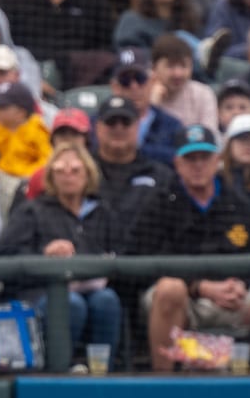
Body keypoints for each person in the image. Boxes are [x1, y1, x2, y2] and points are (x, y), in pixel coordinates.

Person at [132, 126, 250, 374]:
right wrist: (200, 286)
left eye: (204, 158)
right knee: (169, 288)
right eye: (190, 159)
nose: (198, 166)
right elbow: (145, 264)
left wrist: (239, 284)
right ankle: (165, 385)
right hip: (186, 301)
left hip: (233, 298)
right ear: (177, 163)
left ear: (217, 161)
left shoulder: (238, 203)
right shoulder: (159, 203)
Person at [0, 142, 120, 364]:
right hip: (39, 291)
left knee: (106, 300)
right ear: (50, 176)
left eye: (75, 170)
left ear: (87, 174)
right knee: (70, 303)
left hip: (92, 288)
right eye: (59, 170)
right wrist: (44, 254)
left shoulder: (103, 211)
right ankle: (61, 371)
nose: (67, 176)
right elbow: (3, 257)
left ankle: (101, 373)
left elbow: (121, 252)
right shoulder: (32, 210)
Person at [90, 95, 174, 250]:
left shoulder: (160, 175)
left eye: (126, 122)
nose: (118, 128)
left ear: (137, 126)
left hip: (144, 266)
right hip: (91, 264)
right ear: (97, 127)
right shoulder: (81, 172)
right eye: (111, 122)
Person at [109, 48, 186, 165]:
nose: (134, 87)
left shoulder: (172, 126)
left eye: (140, 78)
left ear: (152, 81)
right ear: (115, 87)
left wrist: (134, 150)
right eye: (126, 81)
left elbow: (181, 161)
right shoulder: (100, 123)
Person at [149, 33, 217, 133]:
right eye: (170, 66)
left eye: (184, 66)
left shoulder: (203, 94)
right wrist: (152, 107)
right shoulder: (141, 92)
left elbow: (210, 137)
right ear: (154, 68)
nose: (178, 74)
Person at [0, 81, 52, 179]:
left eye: (2, 107)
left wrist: (27, 175)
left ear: (21, 112)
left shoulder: (37, 129)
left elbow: (47, 161)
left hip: (28, 181)